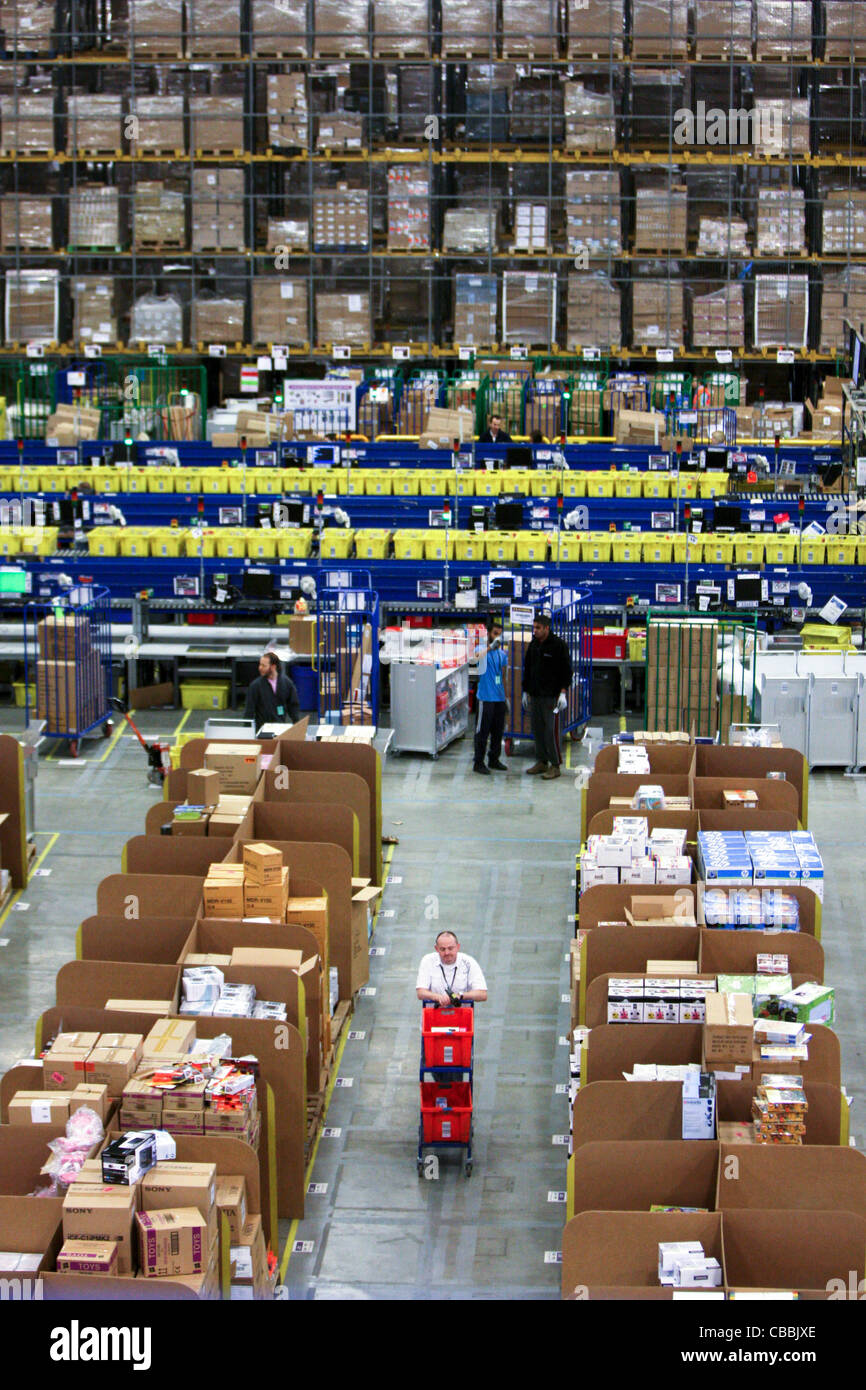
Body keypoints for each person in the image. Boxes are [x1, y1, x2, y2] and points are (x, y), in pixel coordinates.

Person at [521, 612, 573, 780]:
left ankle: (555, 765)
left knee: (551, 732)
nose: (534, 631)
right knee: (538, 730)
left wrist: (563, 692)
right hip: (536, 695)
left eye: (538, 628)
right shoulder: (534, 645)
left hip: (552, 697)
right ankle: (542, 762)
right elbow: (527, 668)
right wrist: (525, 691)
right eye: (533, 627)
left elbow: (567, 671)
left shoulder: (558, 645)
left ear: (546, 628)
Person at [473, 617, 508, 775]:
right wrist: (489, 648)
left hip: (499, 698)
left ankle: (494, 759)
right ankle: (478, 762)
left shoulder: (502, 654)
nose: (497, 637)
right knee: (482, 732)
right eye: (495, 634)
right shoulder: (481, 649)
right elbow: (475, 658)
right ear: (488, 634)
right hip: (485, 698)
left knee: (497, 731)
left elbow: (502, 674)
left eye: (500, 635)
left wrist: (506, 696)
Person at [416, 931, 488, 1006]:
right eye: (442, 949)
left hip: (462, 1015)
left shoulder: (469, 962)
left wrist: (460, 996)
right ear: (436, 949)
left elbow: (482, 994)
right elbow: (421, 992)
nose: (447, 953)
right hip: (433, 1015)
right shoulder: (428, 961)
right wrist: (439, 998)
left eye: (450, 948)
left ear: (458, 947)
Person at [244, 650, 300, 729]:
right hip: (261, 730)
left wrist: (297, 725)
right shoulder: (255, 686)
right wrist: (247, 732)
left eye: (264, 666)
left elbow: (293, 706)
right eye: (260, 665)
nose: (260, 668)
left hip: (280, 728)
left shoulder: (287, 684)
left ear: (273, 667)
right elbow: (249, 711)